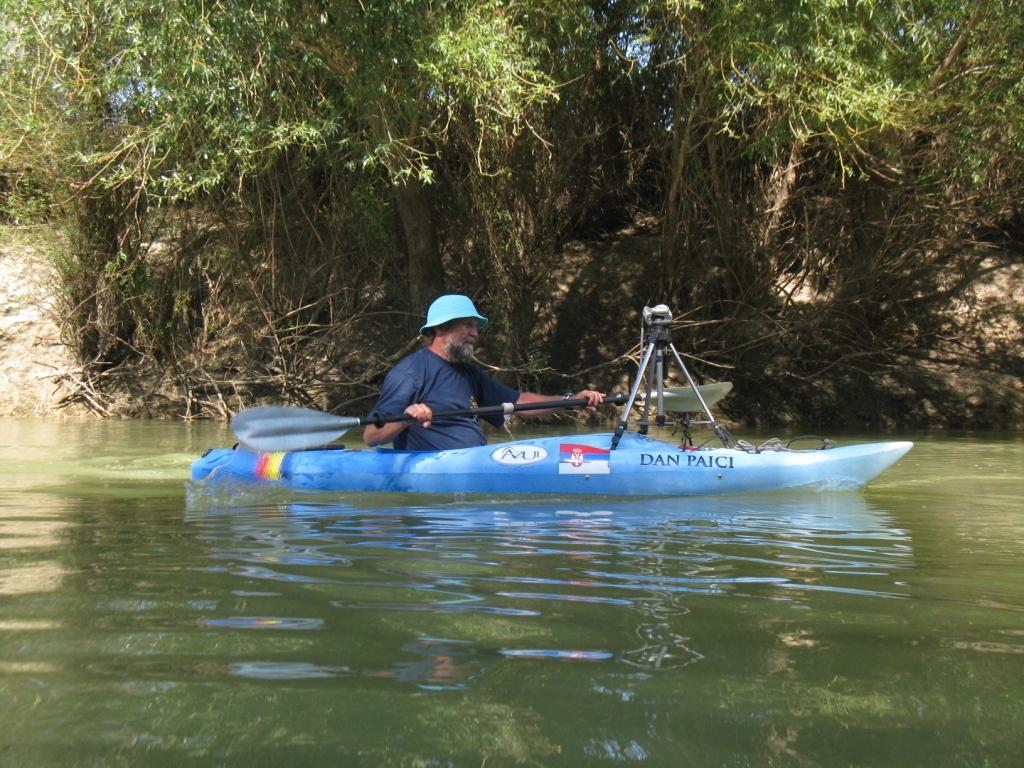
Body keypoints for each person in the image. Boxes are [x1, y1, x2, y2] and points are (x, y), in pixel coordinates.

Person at [363, 294, 605, 450]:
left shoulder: (469, 373)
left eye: (475, 326)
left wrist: (570, 400)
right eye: (468, 325)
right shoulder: (411, 372)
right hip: (435, 482)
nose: (476, 333)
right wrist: (407, 416)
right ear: (442, 327)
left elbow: (520, 402)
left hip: (472, 468)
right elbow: (371, 436)